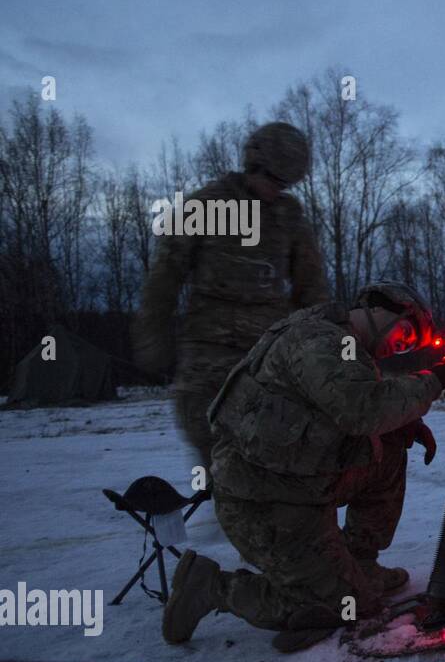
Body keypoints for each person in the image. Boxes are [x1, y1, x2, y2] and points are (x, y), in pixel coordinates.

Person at [161, 282, 445, 652]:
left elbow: (343, 410)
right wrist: (433, 381)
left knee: (390, 446)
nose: (399, 347)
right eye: (405, 335)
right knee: (353, 606)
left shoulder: (345, 346)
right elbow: (361, 408)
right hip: (262, 503)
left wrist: (405, 423)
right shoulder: (320, 340)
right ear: (387, 310)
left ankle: (358, 563)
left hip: (299, 485)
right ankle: (212, 587)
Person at [133, 122, 330, 472]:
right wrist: (153, 339)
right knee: (212, 444)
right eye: (272, 180)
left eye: (284, 184)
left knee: (276, 448)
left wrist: (322, 344)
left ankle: (254, 516)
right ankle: (226, 509)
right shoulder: (207, 205)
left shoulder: (288, 217)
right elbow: (164, 278)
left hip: (266, 355)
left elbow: (310, 286)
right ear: (253, 165)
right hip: (208, 354)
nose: (276, 190)